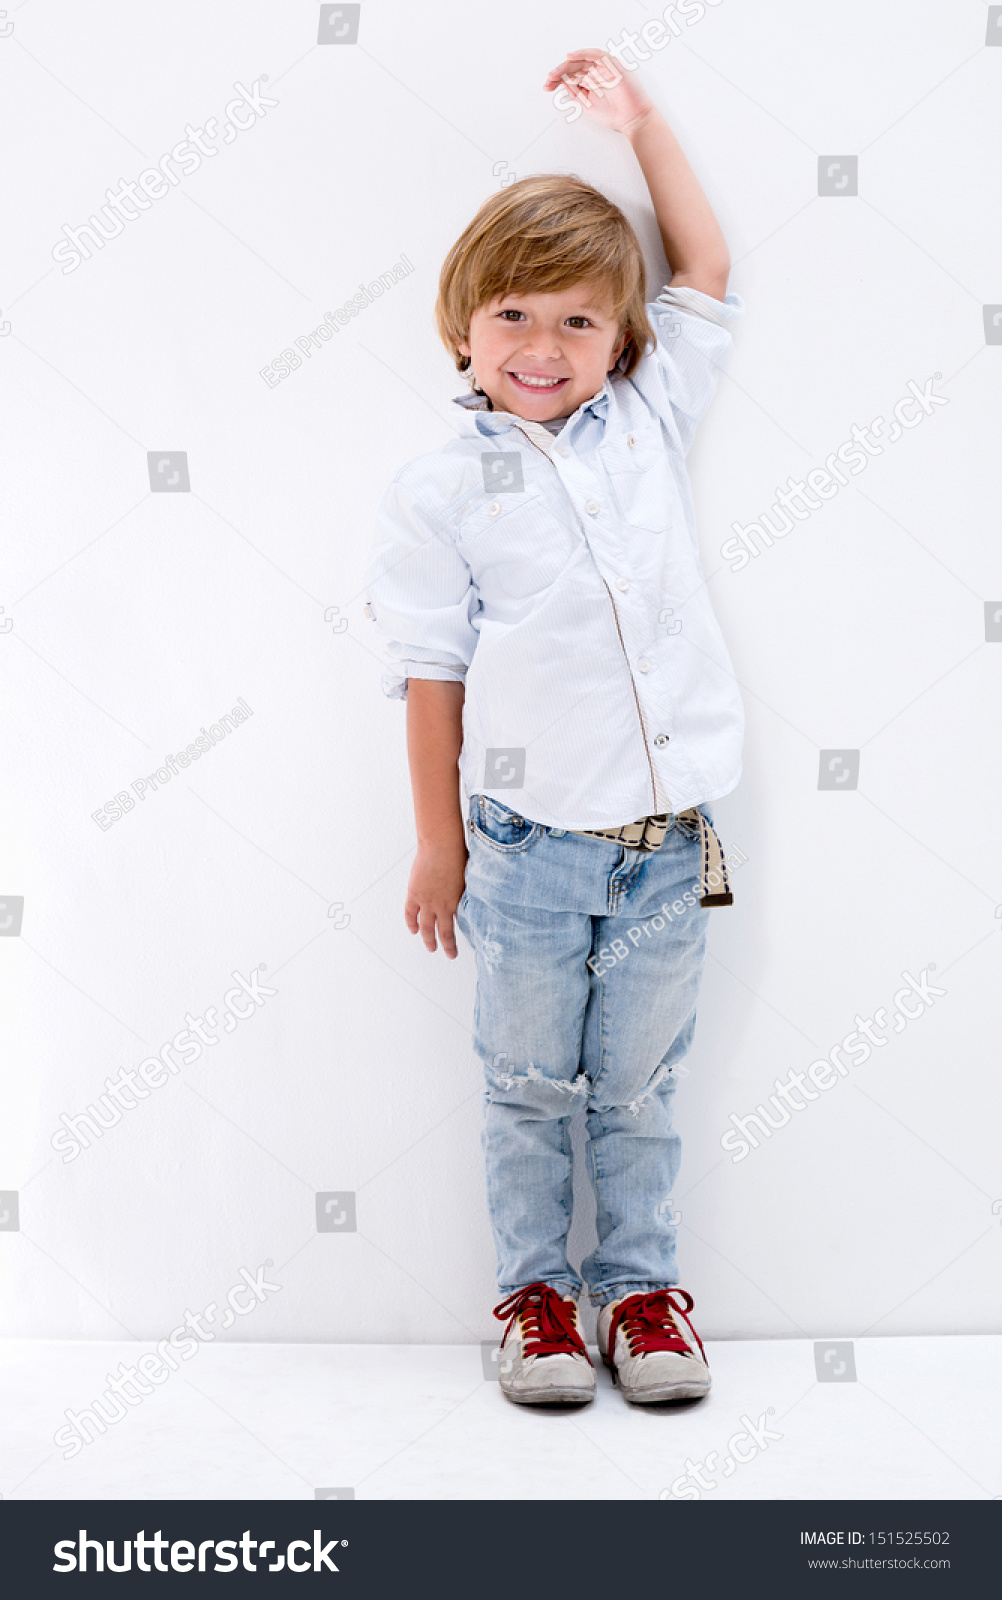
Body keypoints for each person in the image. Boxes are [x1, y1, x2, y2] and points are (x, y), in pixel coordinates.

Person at [364, 47, 744, 1406]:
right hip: (522, 851)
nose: (540, 347)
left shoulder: (646, 423)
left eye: (577, 323)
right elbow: (429, 675)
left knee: (639, 1091)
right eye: (512, 315)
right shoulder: (443, 487)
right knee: (529, 1082)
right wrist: (436, 848)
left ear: (620, 341)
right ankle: (535, 1298)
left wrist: (642, 123)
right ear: (462, 325)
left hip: (665, 844)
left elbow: (701, 262)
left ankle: (639, 1290)